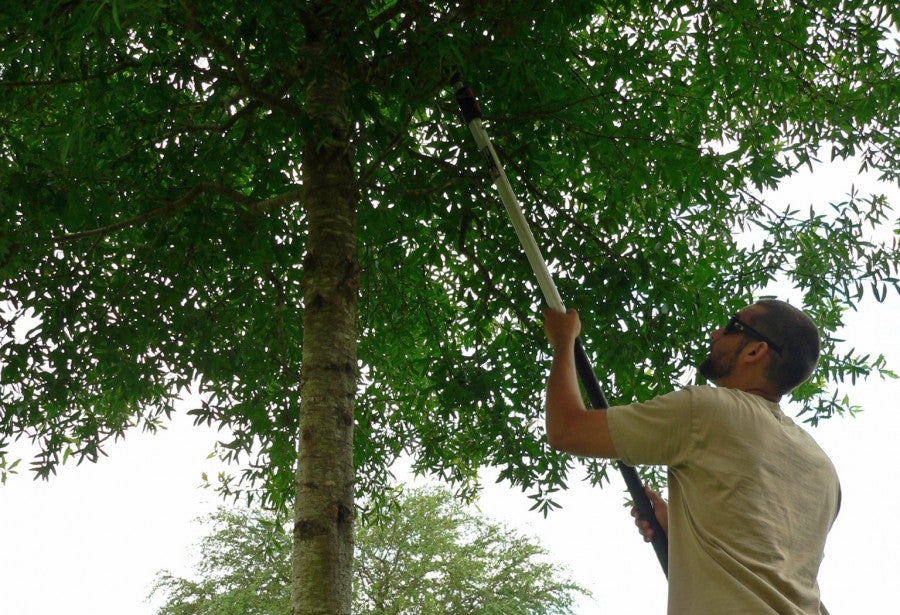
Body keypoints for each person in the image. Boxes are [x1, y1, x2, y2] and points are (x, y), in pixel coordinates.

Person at [543, 299, 840, 614]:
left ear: (756, 351)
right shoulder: (823, 469)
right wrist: (678, 527)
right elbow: (767, 554)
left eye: (731, 326)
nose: (716, 333)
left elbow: (567, 429)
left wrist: (563, 341)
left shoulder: (710, 411)